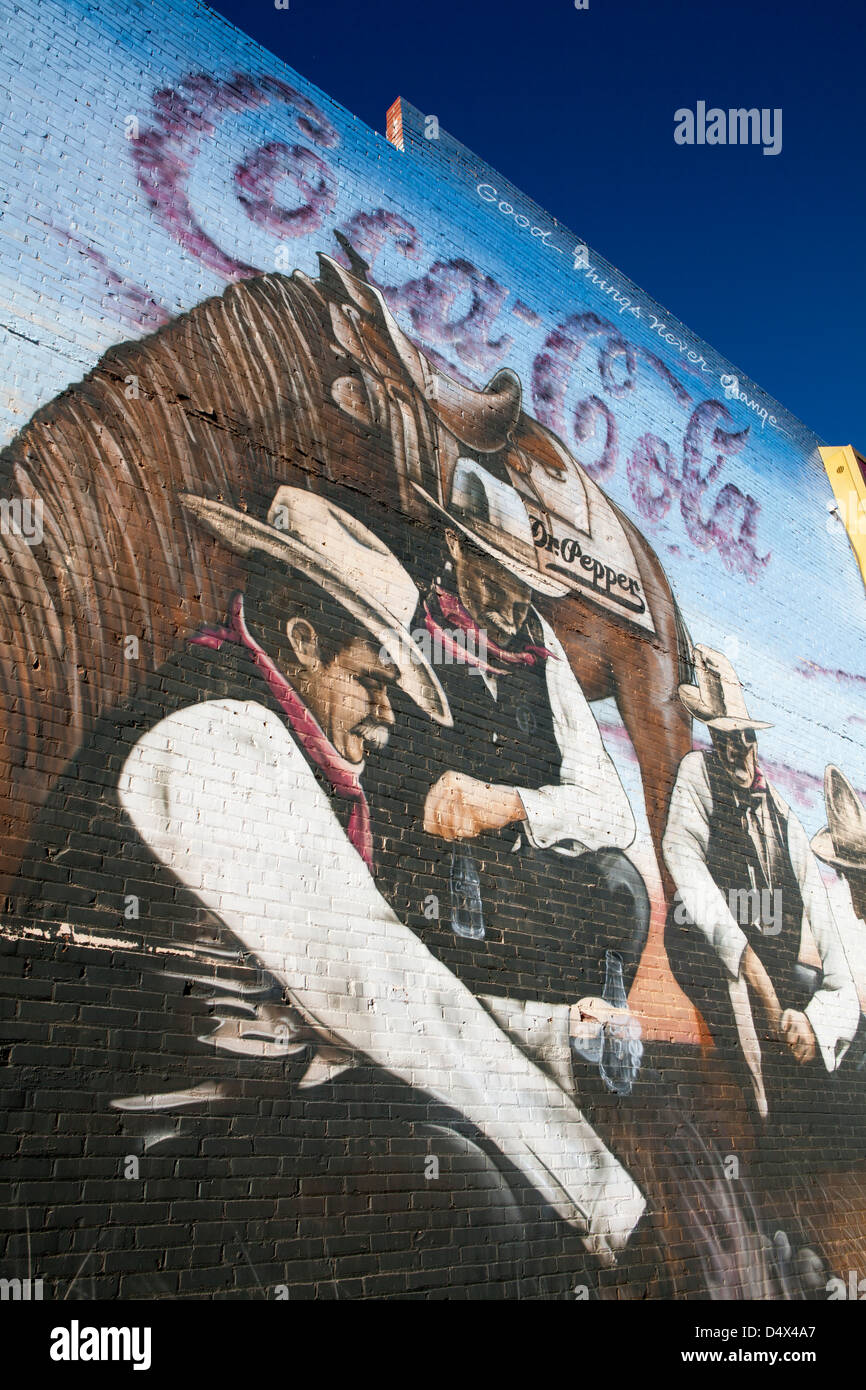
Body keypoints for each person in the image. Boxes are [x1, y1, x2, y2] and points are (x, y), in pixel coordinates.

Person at [7, 485, 645, 1296]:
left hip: (209, 1121)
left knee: (476, 1173)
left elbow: (377, 981)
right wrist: (604, 1199)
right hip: (118, 1159)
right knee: (465, 1197)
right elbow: (375, 984)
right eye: (373, 683)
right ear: (302, 638)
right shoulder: (219, 737)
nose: (386, 718)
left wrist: (557, 1032)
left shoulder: (263, 731)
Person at [366, 457, 649, 1099]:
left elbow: (613, 810)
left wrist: (514, 805)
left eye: (524, 586)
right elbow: (411, 792)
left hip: (523, 876)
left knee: (623, 888)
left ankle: (590, 1040)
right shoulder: (408, 623)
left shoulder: (538, 644)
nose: (511, 605)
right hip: (430, 875)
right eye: (495, 579)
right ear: (453, 547)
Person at [662, 645, 860, 1124]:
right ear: (711, 735)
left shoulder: (784, 817)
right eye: (724, 736)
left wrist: (813, 1024)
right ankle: (763, 1119)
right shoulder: (696, 774)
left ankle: (802, 1128)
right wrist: (745, 959)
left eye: (746, 737)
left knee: (830, 1022)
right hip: (708, 951)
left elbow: (833, 952)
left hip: (771, 961)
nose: (737, 749)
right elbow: (681, 856)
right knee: (744, 1018)